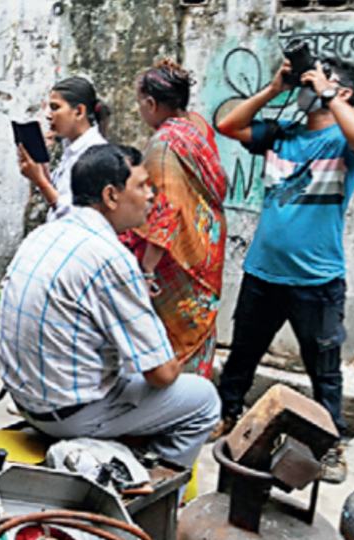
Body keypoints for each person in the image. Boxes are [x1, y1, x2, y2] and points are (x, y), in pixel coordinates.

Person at [0, 144, 221, 469]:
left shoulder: (44, 234)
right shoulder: (111, 257)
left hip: (26, 400)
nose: (150, 195)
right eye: (142, 185)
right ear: (111, 196)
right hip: (67, 415)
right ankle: (154, 494)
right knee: (203, 400)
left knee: (127, 362)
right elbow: (162, 374)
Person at [214, 57, 354, 484]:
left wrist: (326, 93)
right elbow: (228, 125)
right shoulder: (281, 135)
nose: (310, 84)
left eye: (324, 80)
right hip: (263, 273)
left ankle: (331, 445)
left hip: (317, 281)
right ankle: (228, 416)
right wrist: (275, 89)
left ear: (341, 94)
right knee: (242, 358)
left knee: (323, 369)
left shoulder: (344, 143)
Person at [123, 60, 228, 379]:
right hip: (206, 247)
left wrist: (147, 270)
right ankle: (203, 411)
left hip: (178, 259)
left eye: (141, 103)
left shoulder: (164, 144)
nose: (141, 110)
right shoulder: (195, 127)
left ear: (151, 103)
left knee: (176, 340)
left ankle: (179, 413)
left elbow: (165, 210)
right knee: (201, 331)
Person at [18, 78, 109, 222]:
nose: (48, 115)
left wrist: (40, 181)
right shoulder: (71, 149)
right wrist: (41, 166)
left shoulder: (96, 154)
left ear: (79, 112)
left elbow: (75, 215)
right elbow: (57, 196)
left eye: (55, 108)